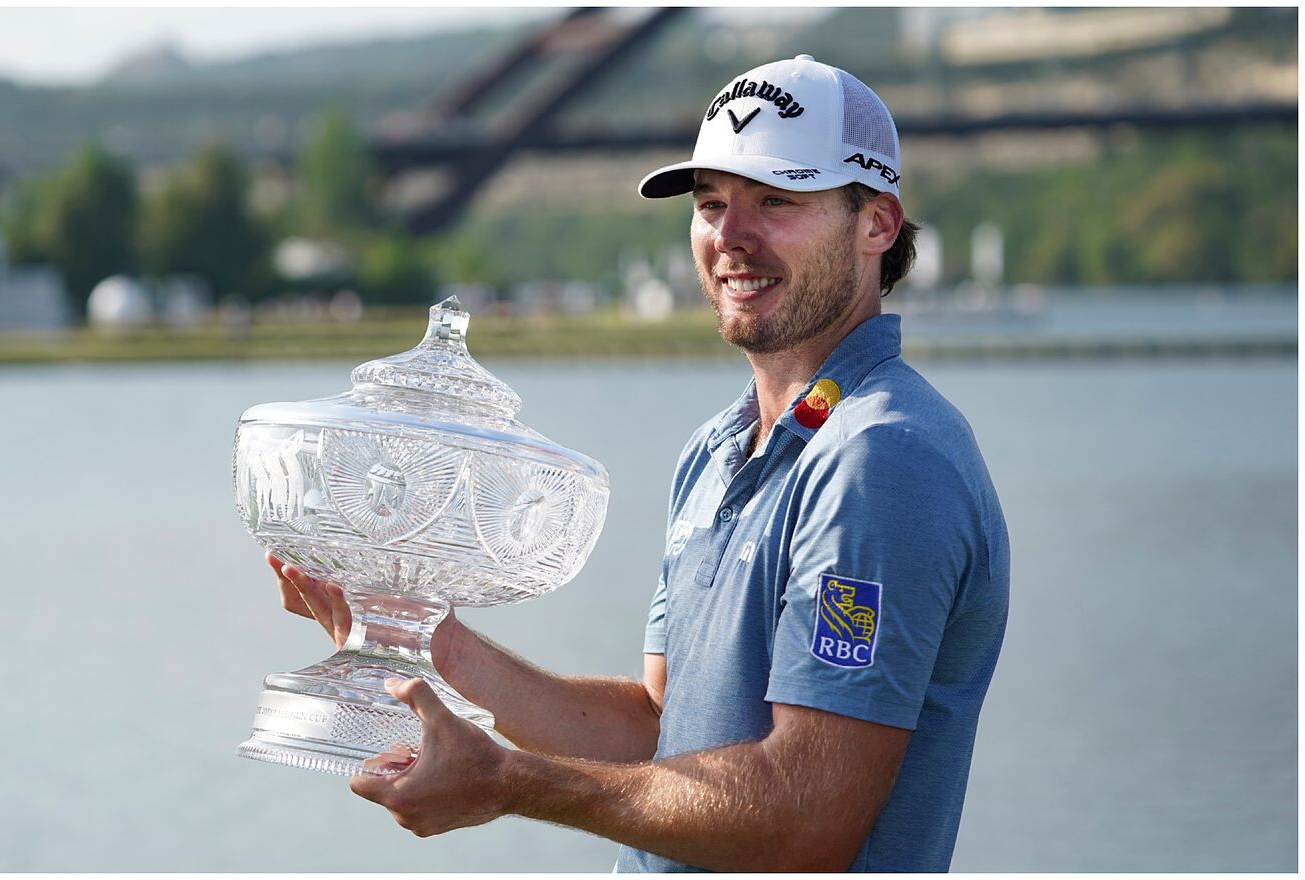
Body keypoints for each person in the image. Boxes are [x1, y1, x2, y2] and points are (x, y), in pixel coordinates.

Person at [271, 54, 1009, 872]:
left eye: (777, 200)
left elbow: (805, 818)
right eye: (712, 204)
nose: (731, 236)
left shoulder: (882, 459)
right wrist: (427, 643)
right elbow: (662, 729)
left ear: (875, 224)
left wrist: (513, 784)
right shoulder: (720, 447)